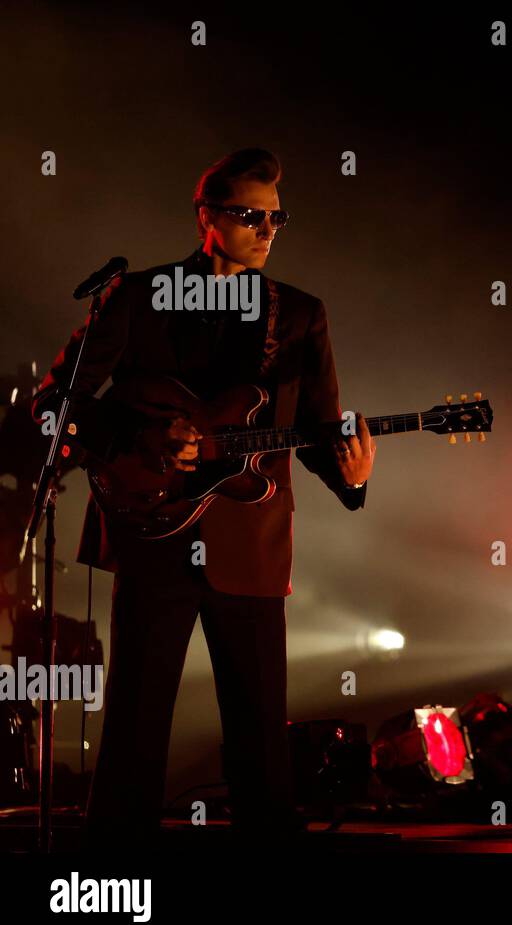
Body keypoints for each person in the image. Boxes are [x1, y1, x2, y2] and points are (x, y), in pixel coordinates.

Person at [33, 148, 376, 848]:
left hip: (249, 542)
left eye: (275, 219)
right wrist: (144, 435)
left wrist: (354, 474)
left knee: (259, 736)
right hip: (151, 530)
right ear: (206, 216)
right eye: (249, 216)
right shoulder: (135, 297)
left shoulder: (301, 315)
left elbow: (314, 431)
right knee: (134, 724)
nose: (266, 230)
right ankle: (111, 878)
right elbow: (56, 405)